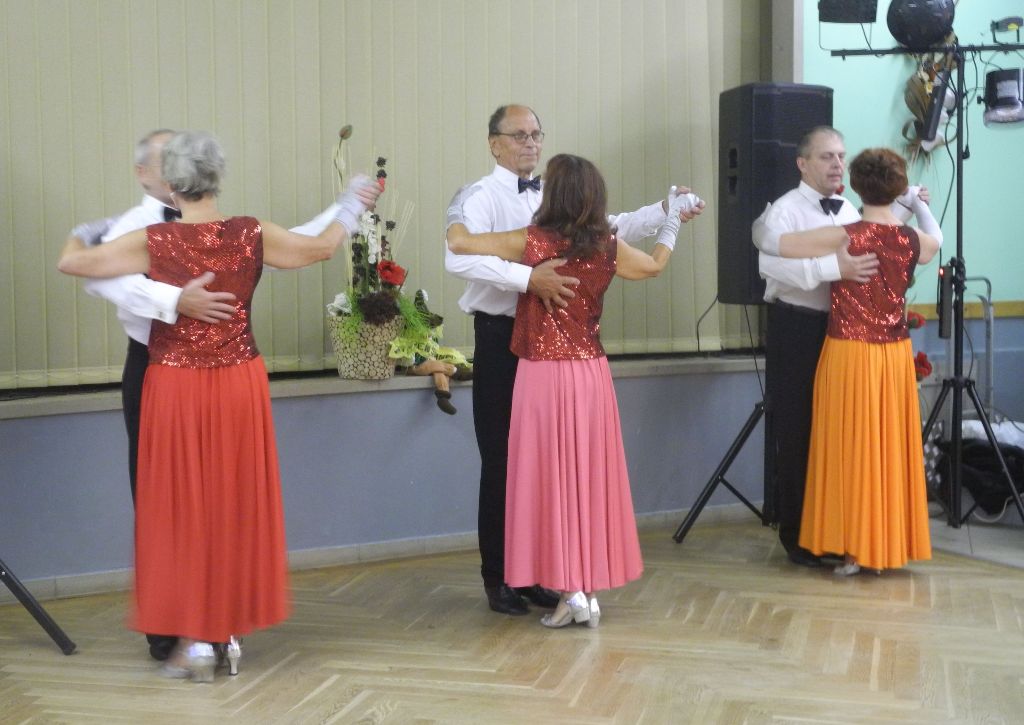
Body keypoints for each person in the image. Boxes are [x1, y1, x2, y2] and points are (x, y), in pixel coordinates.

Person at [58, 131, 382, 681]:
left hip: (175, 385)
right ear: (217, 177)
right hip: (239, 382)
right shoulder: (250, 233)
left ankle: (201, 639)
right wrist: (351, 204)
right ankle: (223, 629)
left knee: (180, 507)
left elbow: (74, 265)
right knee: (232, 502)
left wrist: (79, 233)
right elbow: (320, 246)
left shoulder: (152, 239)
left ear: (172, 181)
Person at [444, 104, 704, 616]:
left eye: (537, 134)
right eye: (519, 135)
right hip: (503, 337)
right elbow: (457, 255)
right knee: (503, 462)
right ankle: (498, 576)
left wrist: (665, 211)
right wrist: (528, 279)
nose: (530, 143)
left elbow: (609, 229)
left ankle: (546, 574)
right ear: (494, 142)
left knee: (550, 469)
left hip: (558, 351)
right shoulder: (478, 196)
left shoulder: (554, 195)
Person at [68, 128, 238, 661]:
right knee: (161, 497)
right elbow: (97, 279)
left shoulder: (220, 225)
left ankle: (217, 614)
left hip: (218, 371)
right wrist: (173, 300)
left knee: (217, 495)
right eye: (167, 159)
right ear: (145, 173)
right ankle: (166, 626)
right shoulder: (134, 225)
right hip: (154, 367)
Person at [757, 147, 941, 574]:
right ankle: (885, 545)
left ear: (856, 185)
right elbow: (938, 240)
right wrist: (912, 204)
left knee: (849, 448)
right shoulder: (914, 240)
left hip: (848, 354)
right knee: (887, 448)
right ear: (897, 186)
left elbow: (773, 243)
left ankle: (852, 547)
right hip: (894, 357)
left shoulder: (846, 234)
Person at [751, 126, 882, 568]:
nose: (837, 165)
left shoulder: (849, 210)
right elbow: (769, 266)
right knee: (798, 429)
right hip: (796, 328)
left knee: (836, 431)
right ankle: (799, 537)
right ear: (802, 164)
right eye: (827, 157)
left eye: (841, 156)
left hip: (842, 331)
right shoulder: (783, 213)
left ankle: (833, 530)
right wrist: (833, 267)